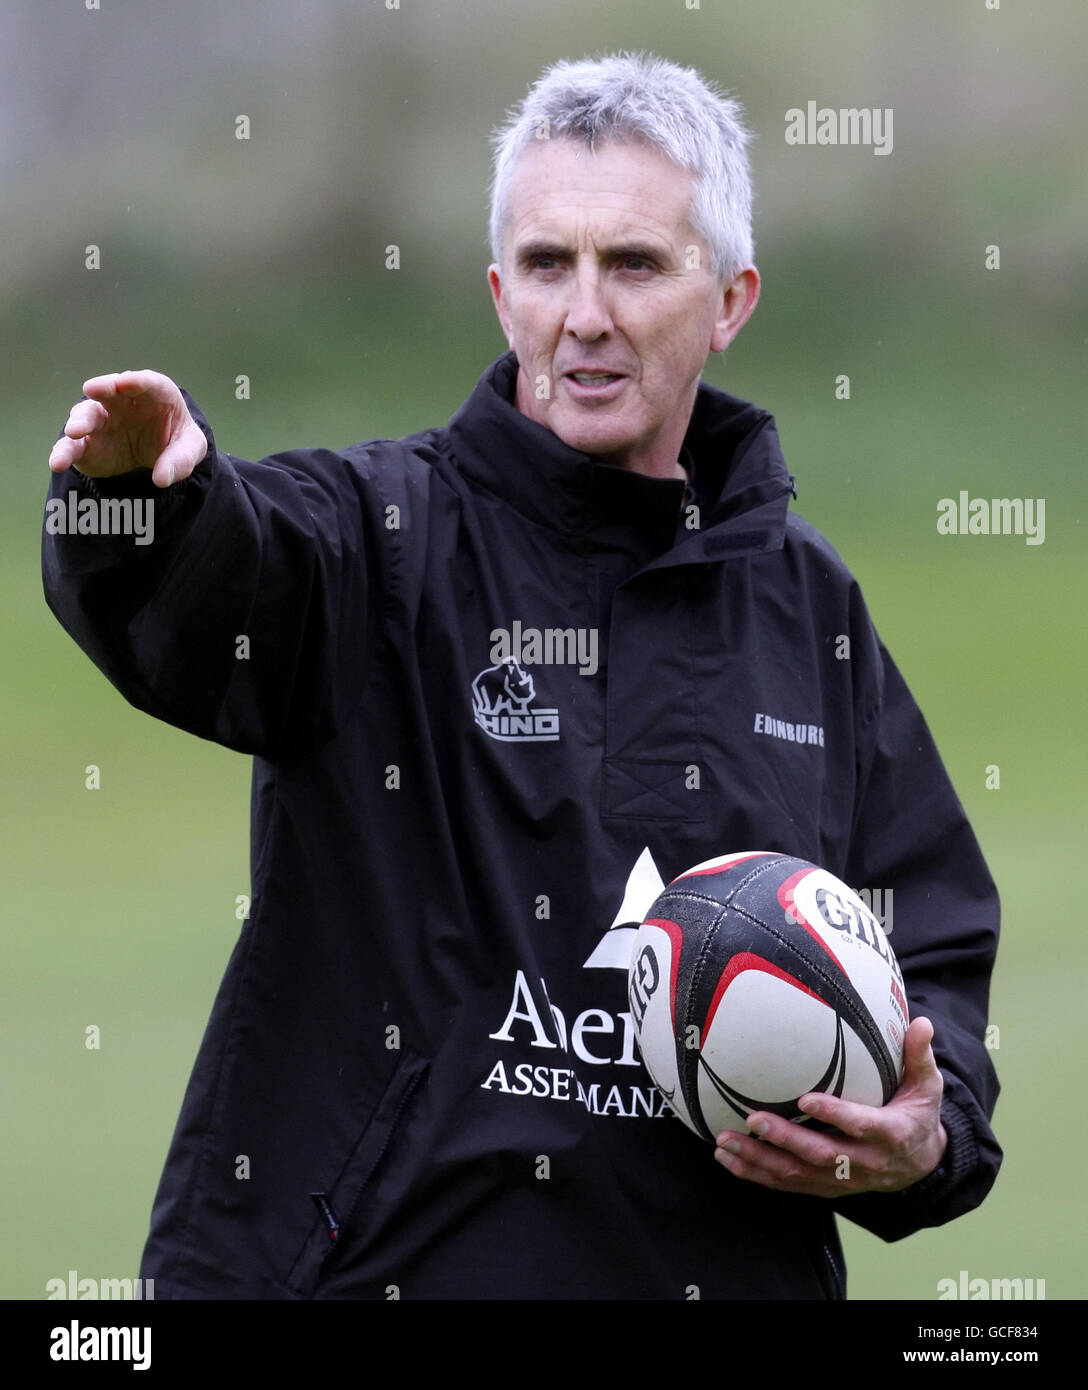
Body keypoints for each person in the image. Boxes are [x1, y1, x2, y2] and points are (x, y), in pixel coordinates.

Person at [42, 52, 1000, 1300]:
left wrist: (924, 1136)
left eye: (635, 265)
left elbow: (924, 950)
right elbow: (222, 583)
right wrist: (144, 504)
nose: (584, 314)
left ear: (729, 300)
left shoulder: (806, 607)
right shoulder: (375, 535)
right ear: (501, 294)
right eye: (549, 264)